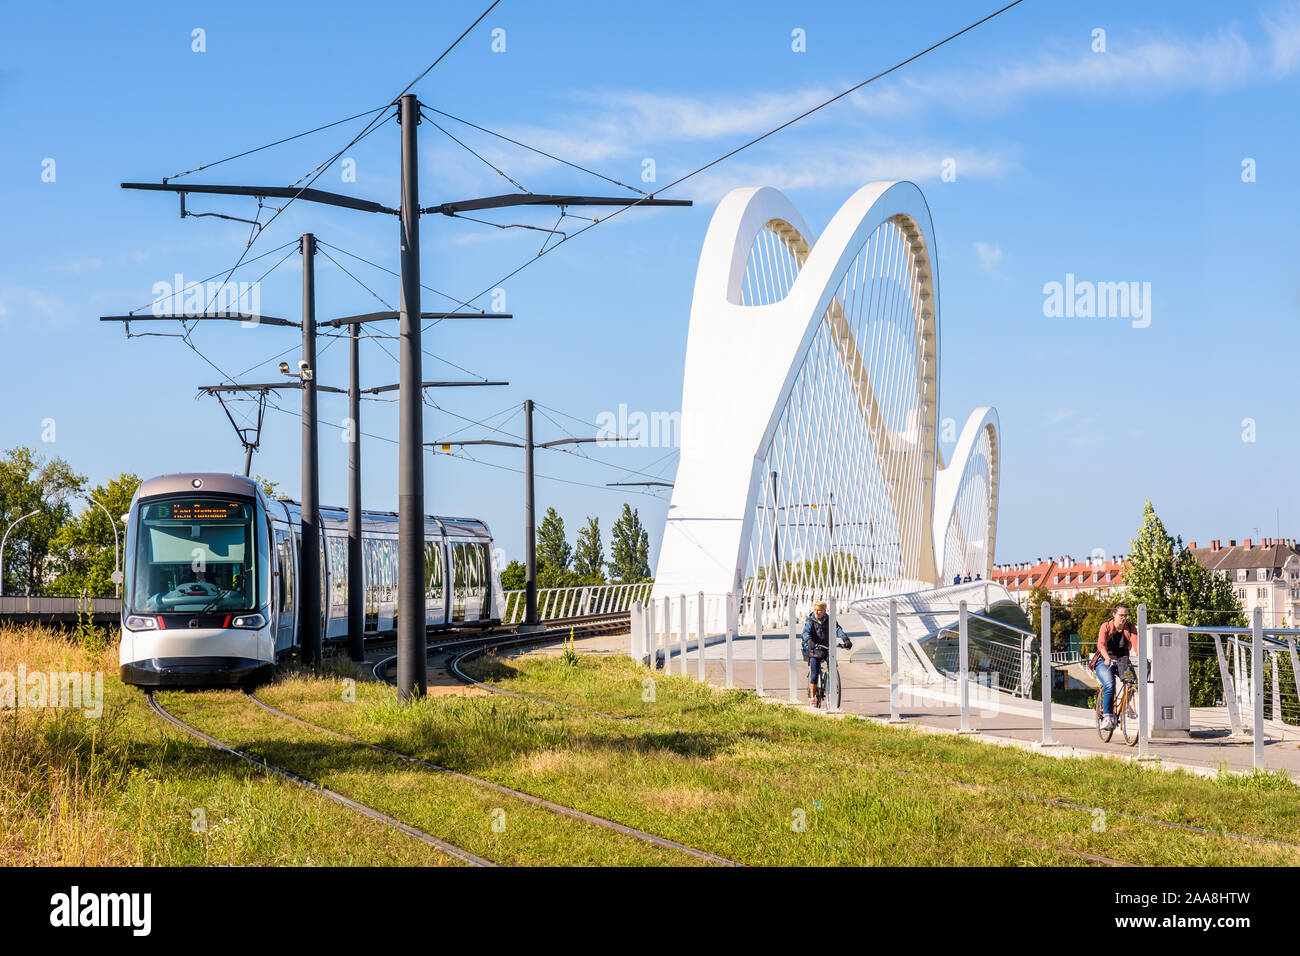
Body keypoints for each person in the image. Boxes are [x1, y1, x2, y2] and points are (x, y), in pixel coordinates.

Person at [1095, 603, 1138, 731]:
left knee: (1131, 681)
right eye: (1121, 615)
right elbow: (1101, 645)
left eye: (1126, 615)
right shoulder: (1106, 626)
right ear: (1114, 614)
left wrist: (1141, 656)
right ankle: (1107, 717)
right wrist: (1107, 658)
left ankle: (1126, 705)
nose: (1123, 618)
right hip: (1104, 661)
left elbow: (1136, 644)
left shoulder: (1130, 628)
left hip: (1122, 660)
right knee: (1109, 684)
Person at [801, 601, 851, 706]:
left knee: (833, 667)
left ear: (824, 611)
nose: (817, 612)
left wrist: (845, 639)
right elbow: (805, 632)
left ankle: (831, 686)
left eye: (819, 610)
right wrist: (809, 640)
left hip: (827, 649)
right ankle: (812, 697)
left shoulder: (830, 620)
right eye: (815, 610)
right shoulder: (811, 621)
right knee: (814, 674)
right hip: (814, 649)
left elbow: (838, 629)